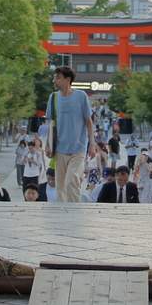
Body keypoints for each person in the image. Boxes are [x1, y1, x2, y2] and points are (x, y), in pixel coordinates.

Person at [45, 66, 96, 203]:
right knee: (60, 187)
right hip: (59, 150)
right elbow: (51, 123)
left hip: (78, 149)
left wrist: (92, 143)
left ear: (68, 80)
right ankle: (63, 213)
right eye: (54, 78)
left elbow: (89, 121)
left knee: (71, 181)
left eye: (58, 78)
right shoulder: (53, 97)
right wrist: (48, 144)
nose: (54, 81)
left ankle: (74, 212)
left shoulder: (81, 96)